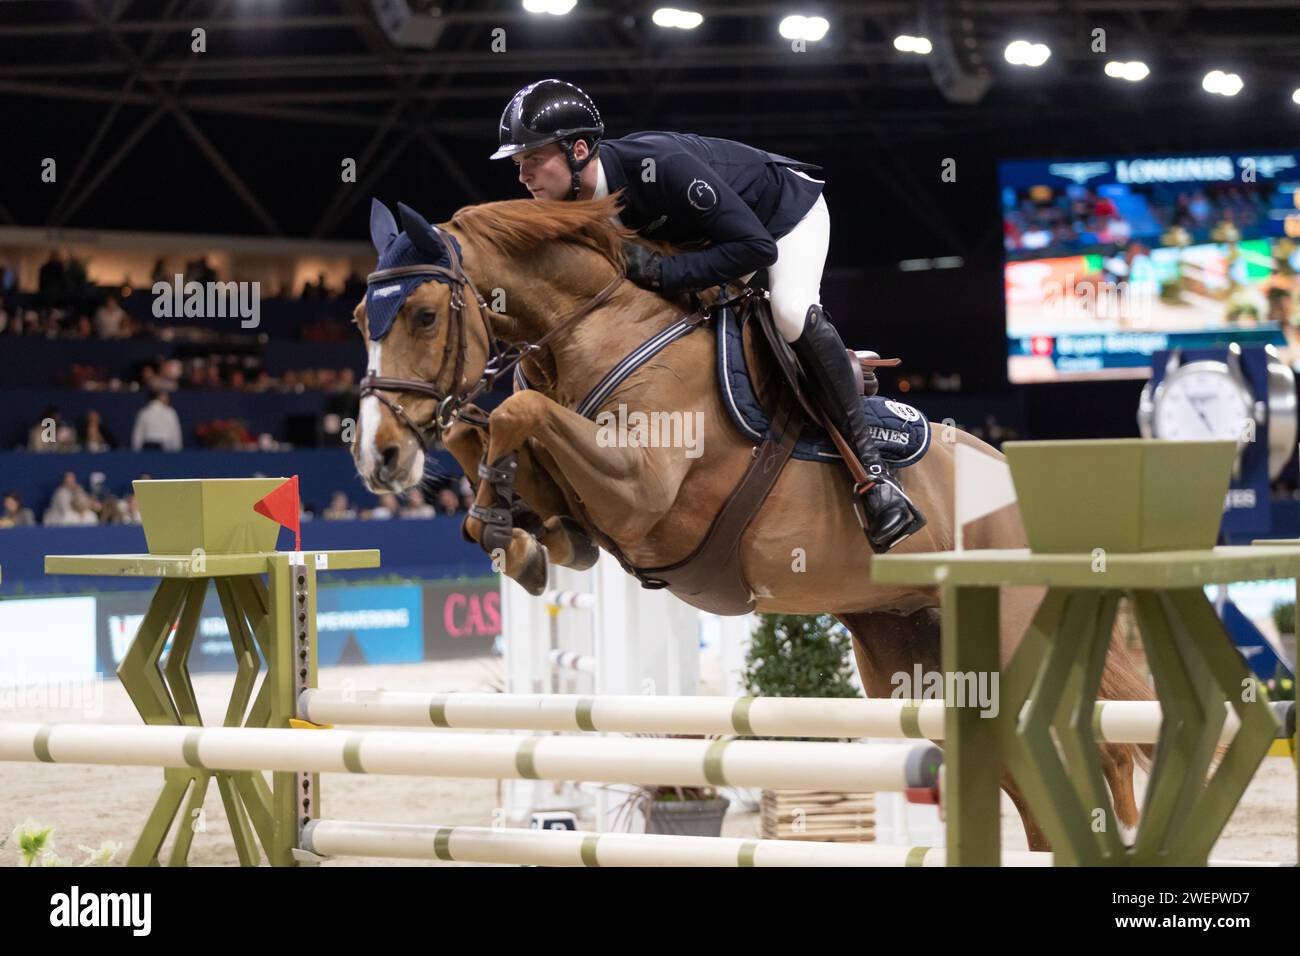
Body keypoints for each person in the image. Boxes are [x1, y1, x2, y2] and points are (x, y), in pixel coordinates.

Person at [490, 79, 923, 551]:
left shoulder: (657, 168)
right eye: (518, 164)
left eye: (533, 159)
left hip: (780, 217)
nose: (523, 176)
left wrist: (667, 273)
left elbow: (753, 246)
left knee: (791, 312)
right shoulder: (568, 207)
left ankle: (874, 480)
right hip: (710, 243)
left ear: (577, 150)